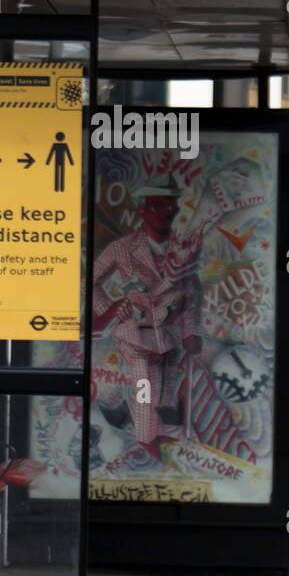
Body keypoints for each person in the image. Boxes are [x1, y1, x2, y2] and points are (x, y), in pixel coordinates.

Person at [92, 176, 203, 447]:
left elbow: (191, 294)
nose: (166, 212)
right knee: (144, 392)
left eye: (170, 206)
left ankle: (157, 441)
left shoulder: (182, 250)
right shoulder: (123, 248)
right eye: (157, 206)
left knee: (165, 395)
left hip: (168, 336)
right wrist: (112, 309)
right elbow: (89, 282)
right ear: (143, 210)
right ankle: (145, 442)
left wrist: (190, 331)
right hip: (135, 336)